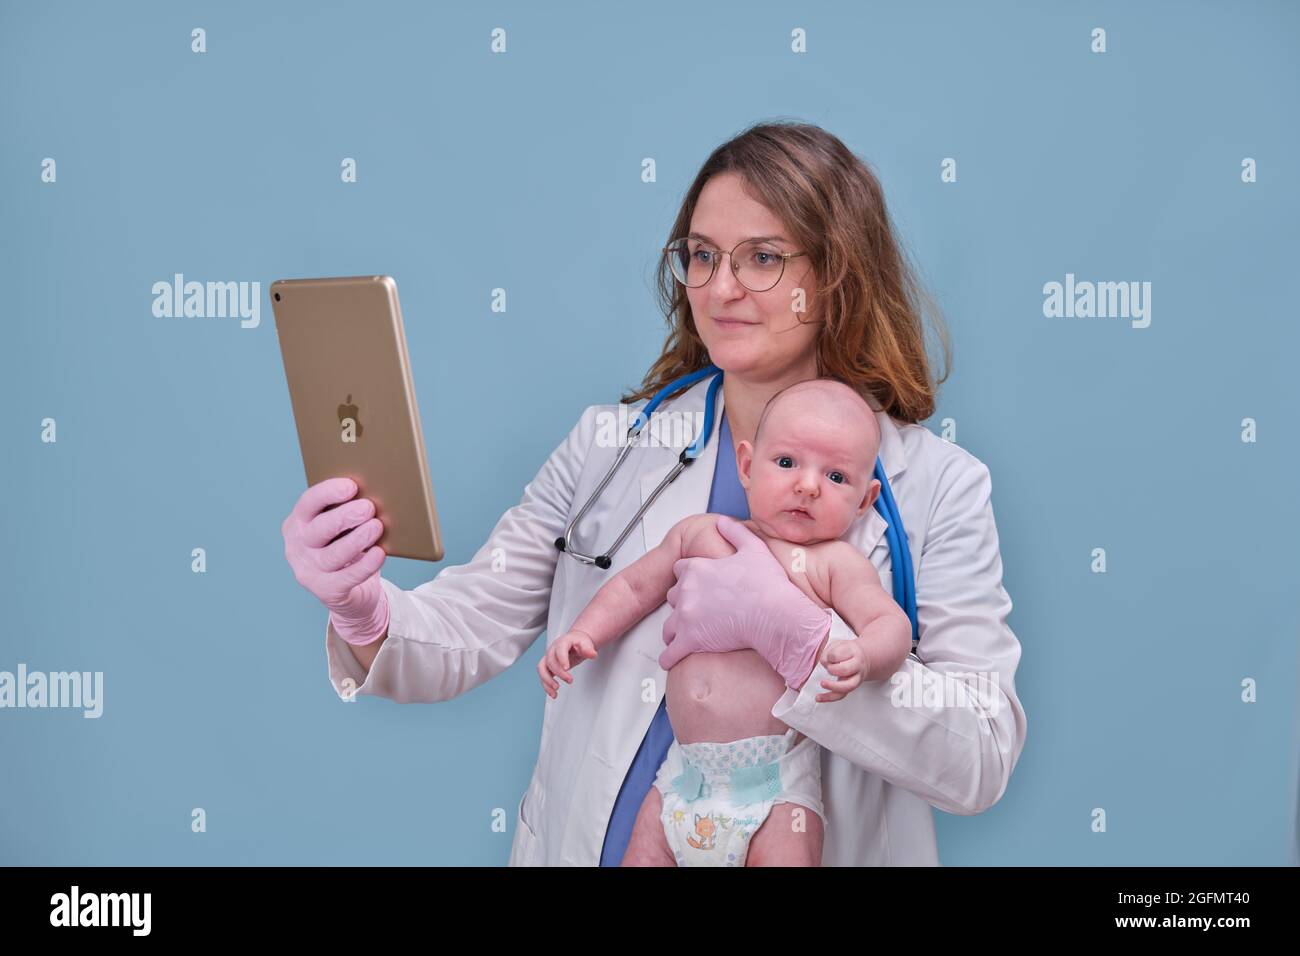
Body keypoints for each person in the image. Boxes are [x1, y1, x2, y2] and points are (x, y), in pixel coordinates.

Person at [280, 120, 1028, 866]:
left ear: (836, 276)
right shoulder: (610, 447)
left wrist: (801, 640)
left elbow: (981, 758)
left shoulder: (934, 487)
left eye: (762, 258)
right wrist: (364, 610)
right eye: (702, 256)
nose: (720, 287)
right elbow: (469, 628)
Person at [538, 377, 914, 867]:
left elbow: (891, 626)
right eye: (786, 463)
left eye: (837, 478)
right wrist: (583, 633)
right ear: (746, 465)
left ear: (865, 501)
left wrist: (864, 657)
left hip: (773, 788)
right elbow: (632, 587)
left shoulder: (834, 566)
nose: (807, 485)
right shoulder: (703, 534)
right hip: (682, 777)